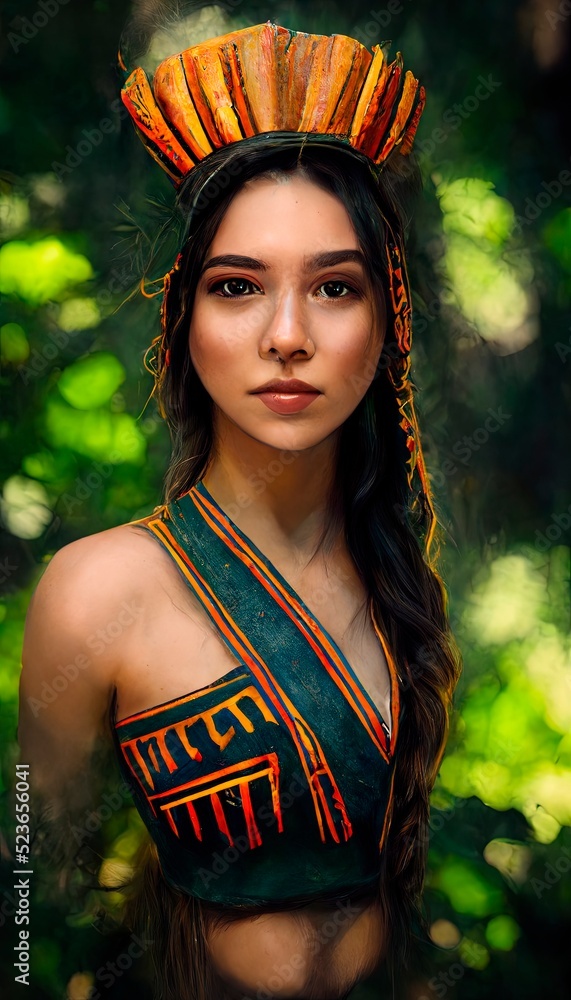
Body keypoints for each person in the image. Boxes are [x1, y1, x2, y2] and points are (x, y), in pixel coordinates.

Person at [18, 19, 461, 1000]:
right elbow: (27, 881)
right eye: (237, 287)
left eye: (334, 288)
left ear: (387, 322)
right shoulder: (94, 592)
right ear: (185, 319)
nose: (287, 335)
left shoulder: (396, 576)